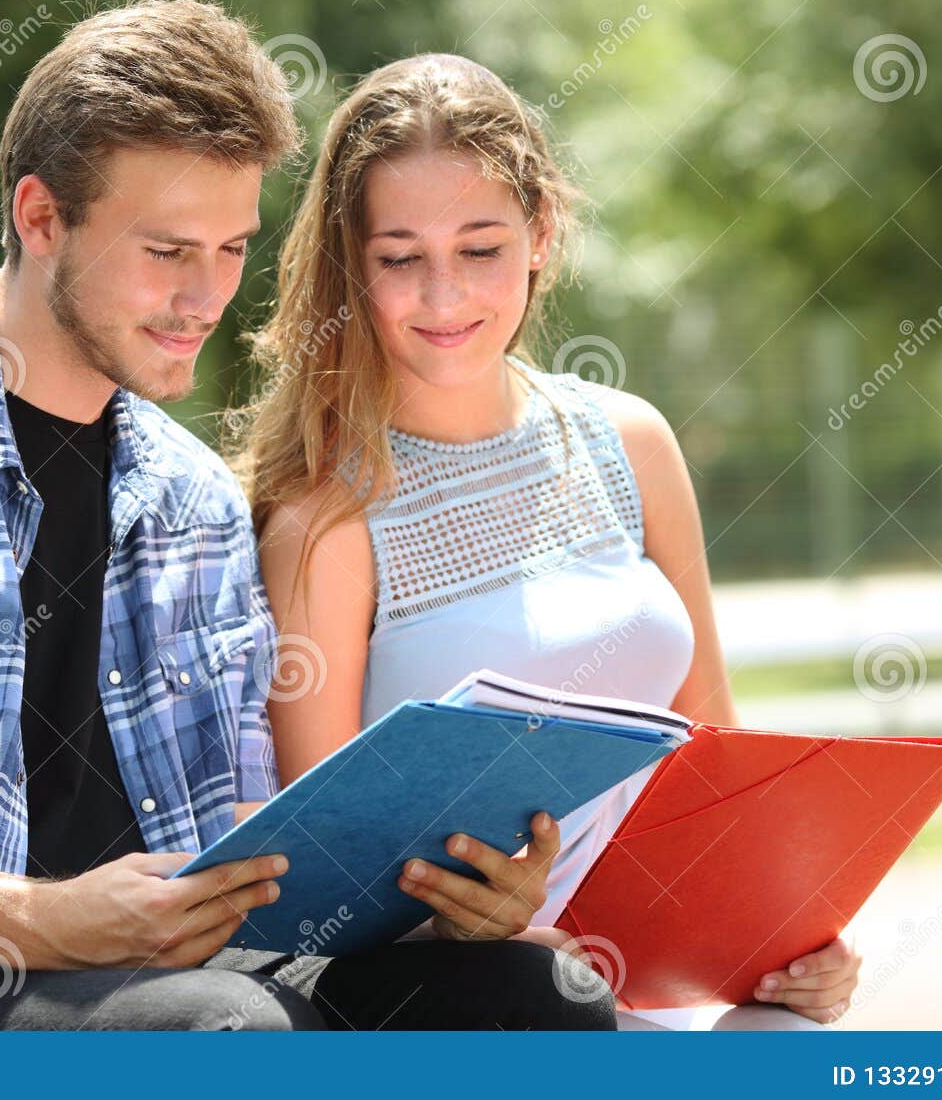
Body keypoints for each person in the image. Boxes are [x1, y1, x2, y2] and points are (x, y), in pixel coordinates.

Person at [0, 0, 610, 1032]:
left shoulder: (195, 497)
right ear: (41, 216)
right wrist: (48, 917)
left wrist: (443, 903)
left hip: (162, 974)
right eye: (166, 251)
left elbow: (241, 836)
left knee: (539, 992)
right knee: (225, 1028)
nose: (206, 296)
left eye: (232, 248)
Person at [234, 53, 861, 1028]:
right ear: (353, 266)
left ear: (540, 234)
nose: (442, 297)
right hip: (479, 992)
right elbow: (320, 885)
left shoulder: (632, 440)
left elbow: (721, 754)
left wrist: (794, 939)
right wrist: (479, 934)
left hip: (664, 957)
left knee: (784, 1034)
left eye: (479, 247)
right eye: (400, 256)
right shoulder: (326, 522)